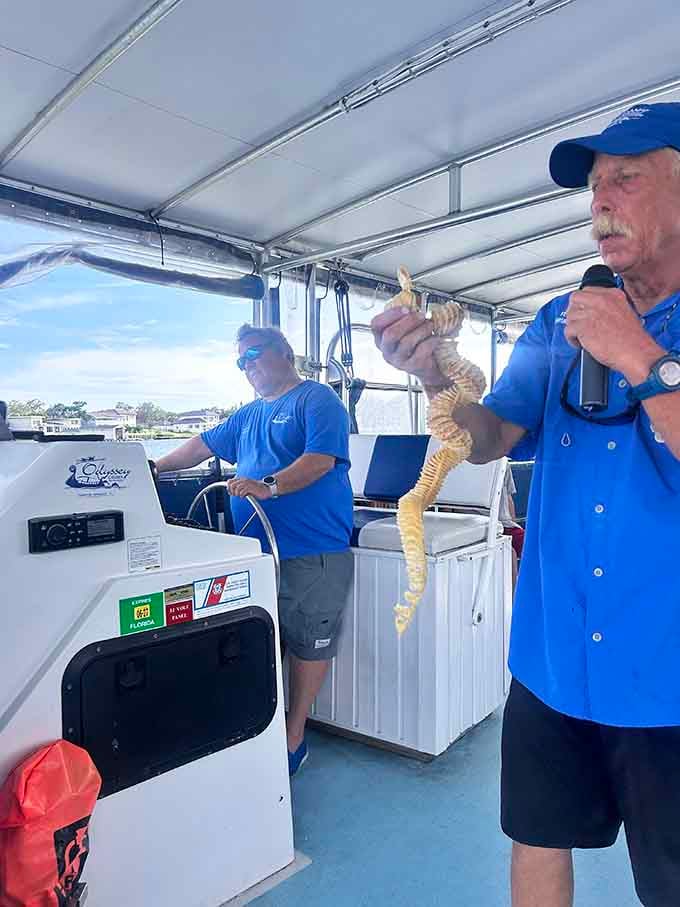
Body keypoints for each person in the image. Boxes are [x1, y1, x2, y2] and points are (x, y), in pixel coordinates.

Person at [370, 102, 680, 907]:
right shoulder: (555, 321)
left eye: (626, 177)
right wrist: (435, 376)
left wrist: (637, 352)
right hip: (551, 652)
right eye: (594, 184)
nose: (600, 199)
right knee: (537, 837)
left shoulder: (612, 327)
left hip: (667, 667)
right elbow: (492, 434)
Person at [155, 324, 354, 776]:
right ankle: (259, 730)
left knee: (308, 643)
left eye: (254, 354)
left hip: (312, 550)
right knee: (259, 640)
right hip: (254, 552)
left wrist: (269, 486)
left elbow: (320, 460)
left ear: (284, 352)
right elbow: (201, 445)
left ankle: (294, 737)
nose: (247, 366)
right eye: (240, 361)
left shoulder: (317, 399)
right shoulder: (246, 415)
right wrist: (152, 468)